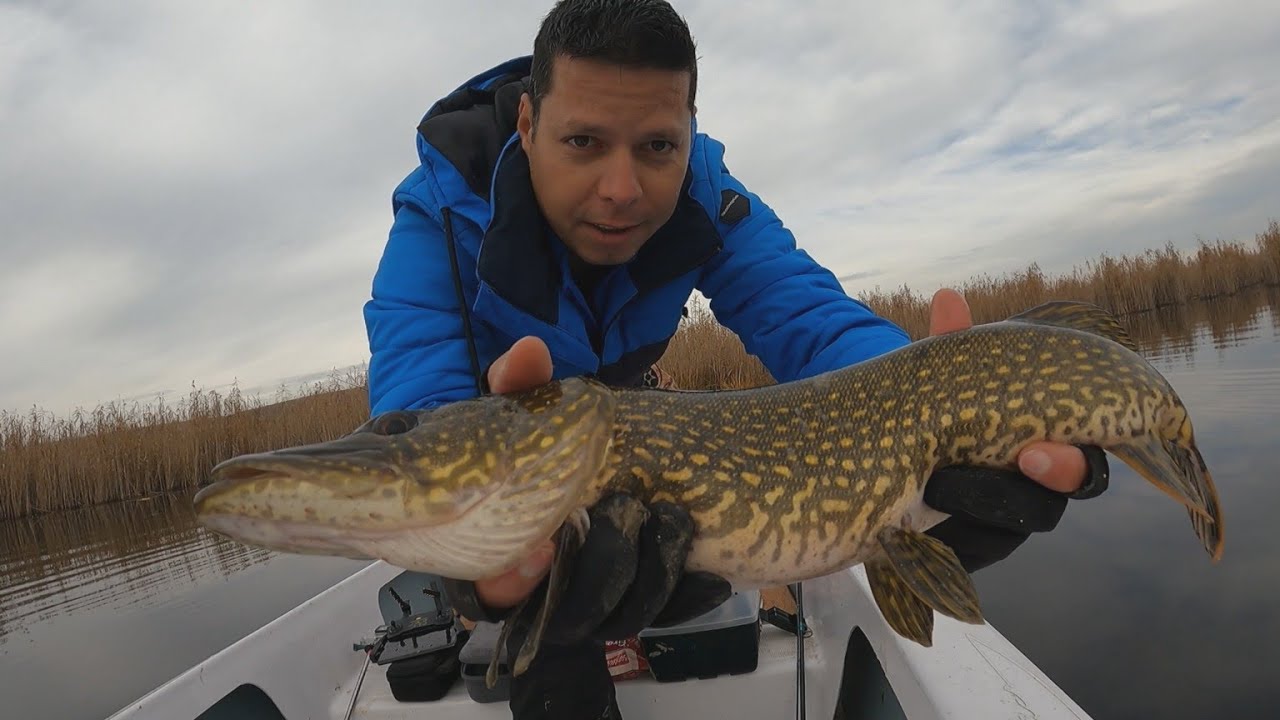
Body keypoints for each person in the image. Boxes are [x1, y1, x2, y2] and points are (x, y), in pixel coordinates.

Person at [362, 0, 1110, 716]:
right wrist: (476, 579)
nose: (621, 190)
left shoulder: (706, 194)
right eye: (583, 143)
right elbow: (424, 422)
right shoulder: (438, 215)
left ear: (688, 132)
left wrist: (930, 413)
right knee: (554, 621)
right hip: (523, 433)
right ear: (528, 124)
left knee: (624, 555)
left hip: (623, 420)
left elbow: (813, 324)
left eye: (657, 146)